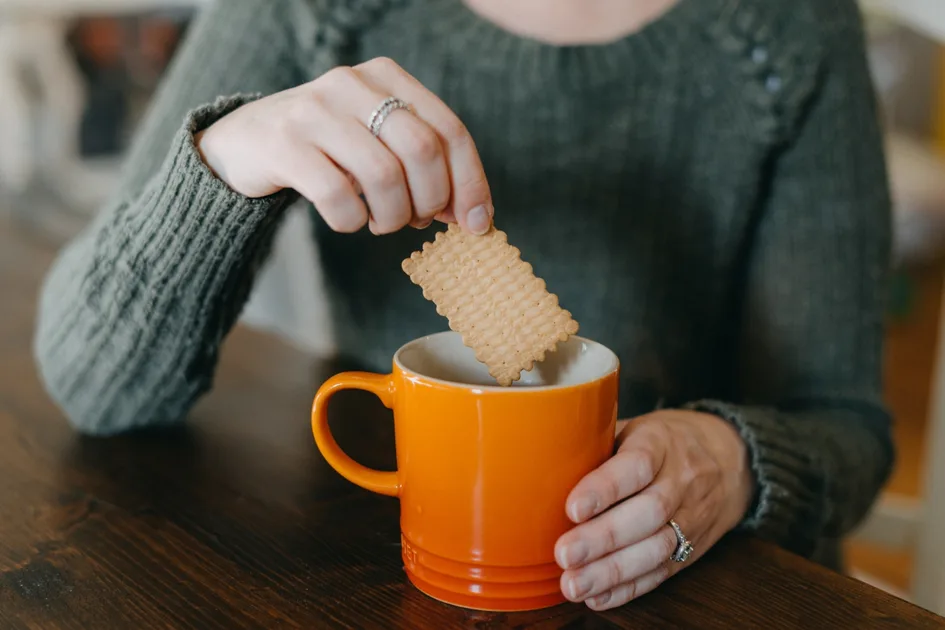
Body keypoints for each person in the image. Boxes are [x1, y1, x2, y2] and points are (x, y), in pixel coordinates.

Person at [33, 0, 894, 611]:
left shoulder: (789, 26)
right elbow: (94, 386)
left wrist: (735, 462)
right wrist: (226, 159)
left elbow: (846, 426)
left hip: (697, 587)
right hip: (391, 577)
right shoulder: (313, 7)